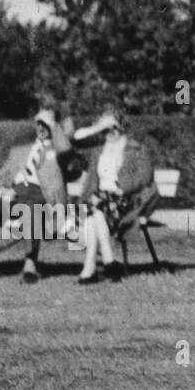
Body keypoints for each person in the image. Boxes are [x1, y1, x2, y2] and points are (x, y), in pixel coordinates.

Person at [0, 105, 77, 283]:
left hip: (42, 197)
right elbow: (1, 179)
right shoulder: (20, 151)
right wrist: (2, 189)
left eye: (46, 123)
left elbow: (66, 150)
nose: (41, 127)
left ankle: (29, 266)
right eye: (38, 122)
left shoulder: (59, 152)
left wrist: (54, 126)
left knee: (31, 211)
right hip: (13, 194)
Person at [73, 110, 154, 284]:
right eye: (105, 129)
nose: (109, 132)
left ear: (122, 126)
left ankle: (93, 267)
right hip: (99, 200)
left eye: (113, 127)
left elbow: (145, 177)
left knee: (94, 210)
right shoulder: (98, 150)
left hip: (126, 199)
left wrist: (122, 189)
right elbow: (75, 139)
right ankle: (105, 263)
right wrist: (99, 126)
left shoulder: (135, 148)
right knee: (93, 210)